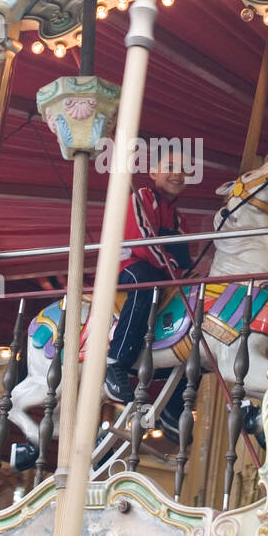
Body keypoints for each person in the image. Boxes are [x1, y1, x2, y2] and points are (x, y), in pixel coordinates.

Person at [103, 144, 191, 404]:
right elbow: (142, 241)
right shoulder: (140, 197)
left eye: (184, 170)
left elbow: (182, 259)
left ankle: (174, 390)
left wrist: (182, 274)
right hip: (126, 265)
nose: (178, 174)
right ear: (153, 172)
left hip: (157, 269)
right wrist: (170, 268)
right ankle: (115, 361)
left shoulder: (177, 218)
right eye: (171, 167)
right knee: (147, 284)